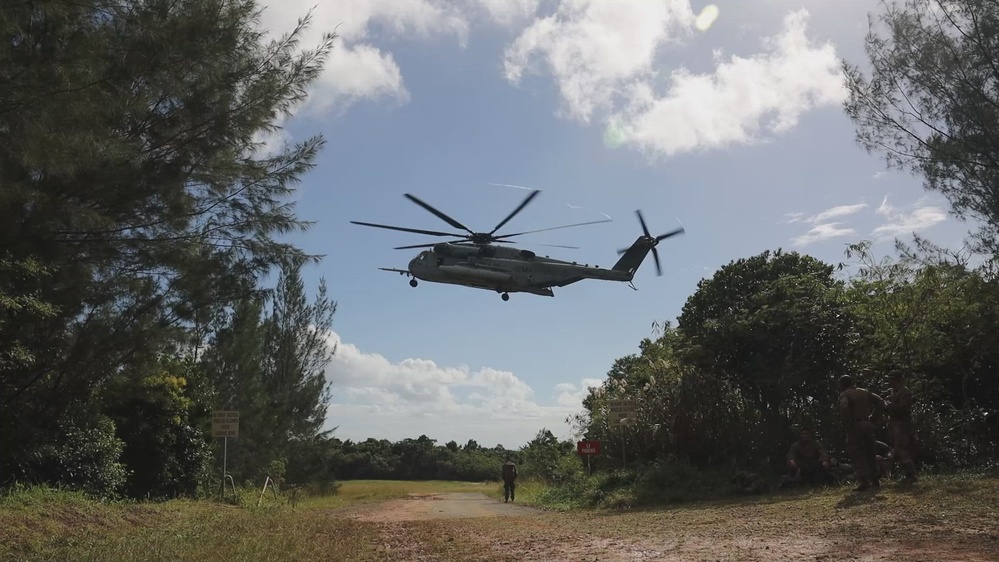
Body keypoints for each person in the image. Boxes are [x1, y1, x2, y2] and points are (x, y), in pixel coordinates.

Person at [838, 374, 886, 491]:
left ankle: (864, 480)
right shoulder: (864, 392)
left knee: (855, 451)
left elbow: (844, 407)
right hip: (867, 423)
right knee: (870, 451)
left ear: (842, 384)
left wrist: (848, 422)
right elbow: (880, 401)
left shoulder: (845, 394)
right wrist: (874, 418)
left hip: (856, 425)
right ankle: (875, 479)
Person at [885, 370, 918, 483]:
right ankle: (908, 474)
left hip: (902, 423)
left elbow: (904, 407)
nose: (890, 382)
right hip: (895, 423)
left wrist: (891, 405)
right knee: (897, 448)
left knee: (900, 448)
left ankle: (911, 474)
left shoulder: (905, 392)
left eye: (892, 379)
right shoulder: (894, 392)